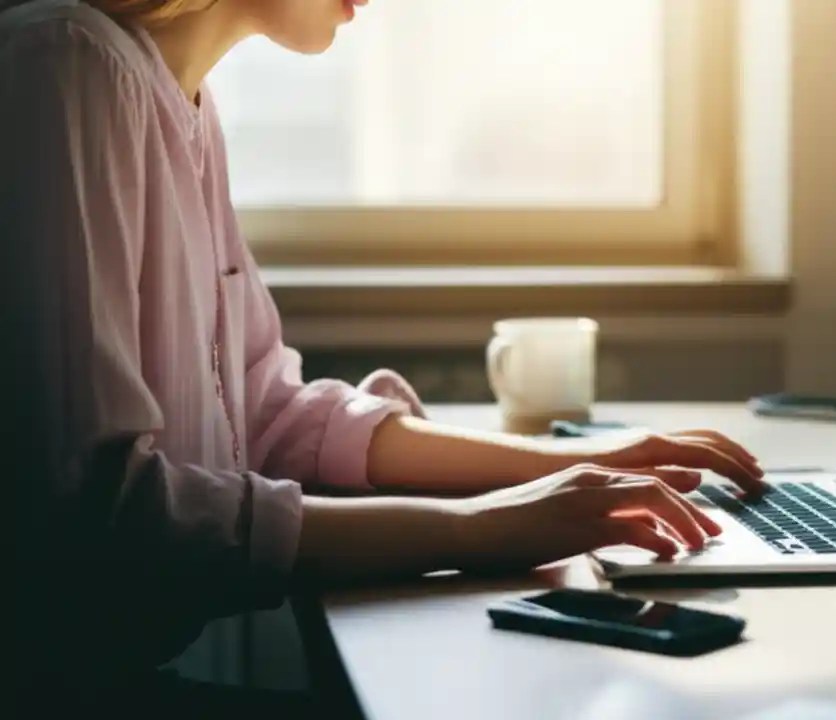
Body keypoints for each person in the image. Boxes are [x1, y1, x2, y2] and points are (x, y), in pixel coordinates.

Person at [0, 0, 766, 712]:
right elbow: (96, 516)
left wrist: (573, 463)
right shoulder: (67, 63)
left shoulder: (179, 100)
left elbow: (268, 416)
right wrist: (476, 528)